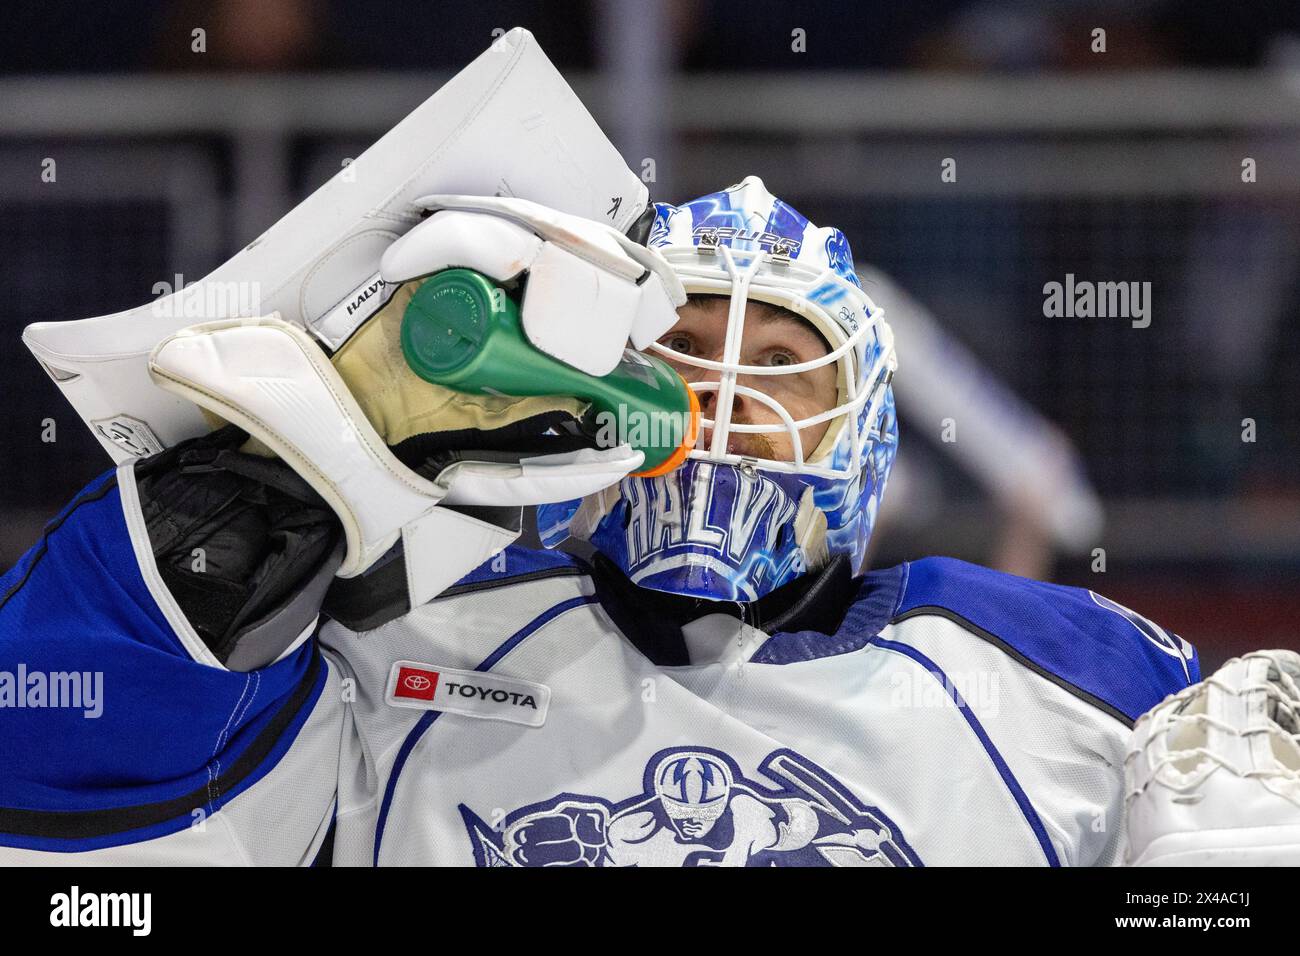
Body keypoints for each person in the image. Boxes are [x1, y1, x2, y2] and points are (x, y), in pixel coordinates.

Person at [0, 176, 1293, 867]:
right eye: (679, 347)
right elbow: (76, 819)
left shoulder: (1060, 677)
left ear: (865, 434)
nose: (722, 402)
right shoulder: (394, 629)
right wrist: (231, 528)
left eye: (779, 360)